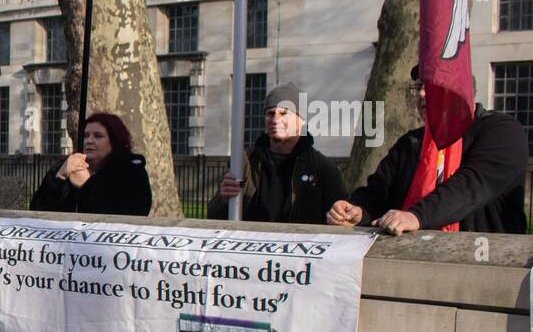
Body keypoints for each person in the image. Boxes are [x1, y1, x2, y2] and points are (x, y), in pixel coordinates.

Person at [327, 66, 528, 235]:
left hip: (485, 265)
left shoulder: (502, 131)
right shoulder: (411, 142)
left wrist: (416, 216)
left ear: (461, 89)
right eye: (419, 87)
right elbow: (378, 192)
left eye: (431, 85)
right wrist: (357, 211)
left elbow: (471, 186)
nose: (422, 94)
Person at [208, 82, 347, 224]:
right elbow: (213, 217)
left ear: (301, 120)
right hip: (253, 243)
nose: (275, 120)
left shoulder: (323, 168)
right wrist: (223, 199)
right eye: (270, 113)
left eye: (284, 113)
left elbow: (340, 223)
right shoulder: (244, 162)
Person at [30, 111, 152, 216]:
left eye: (98, 136)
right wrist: (59, 178)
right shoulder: (65, 166)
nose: (89, 141)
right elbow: (37, 212)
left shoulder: (130, 171)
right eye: (85, 136)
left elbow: (134, 213)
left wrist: (87, 185)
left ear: (114, 141)